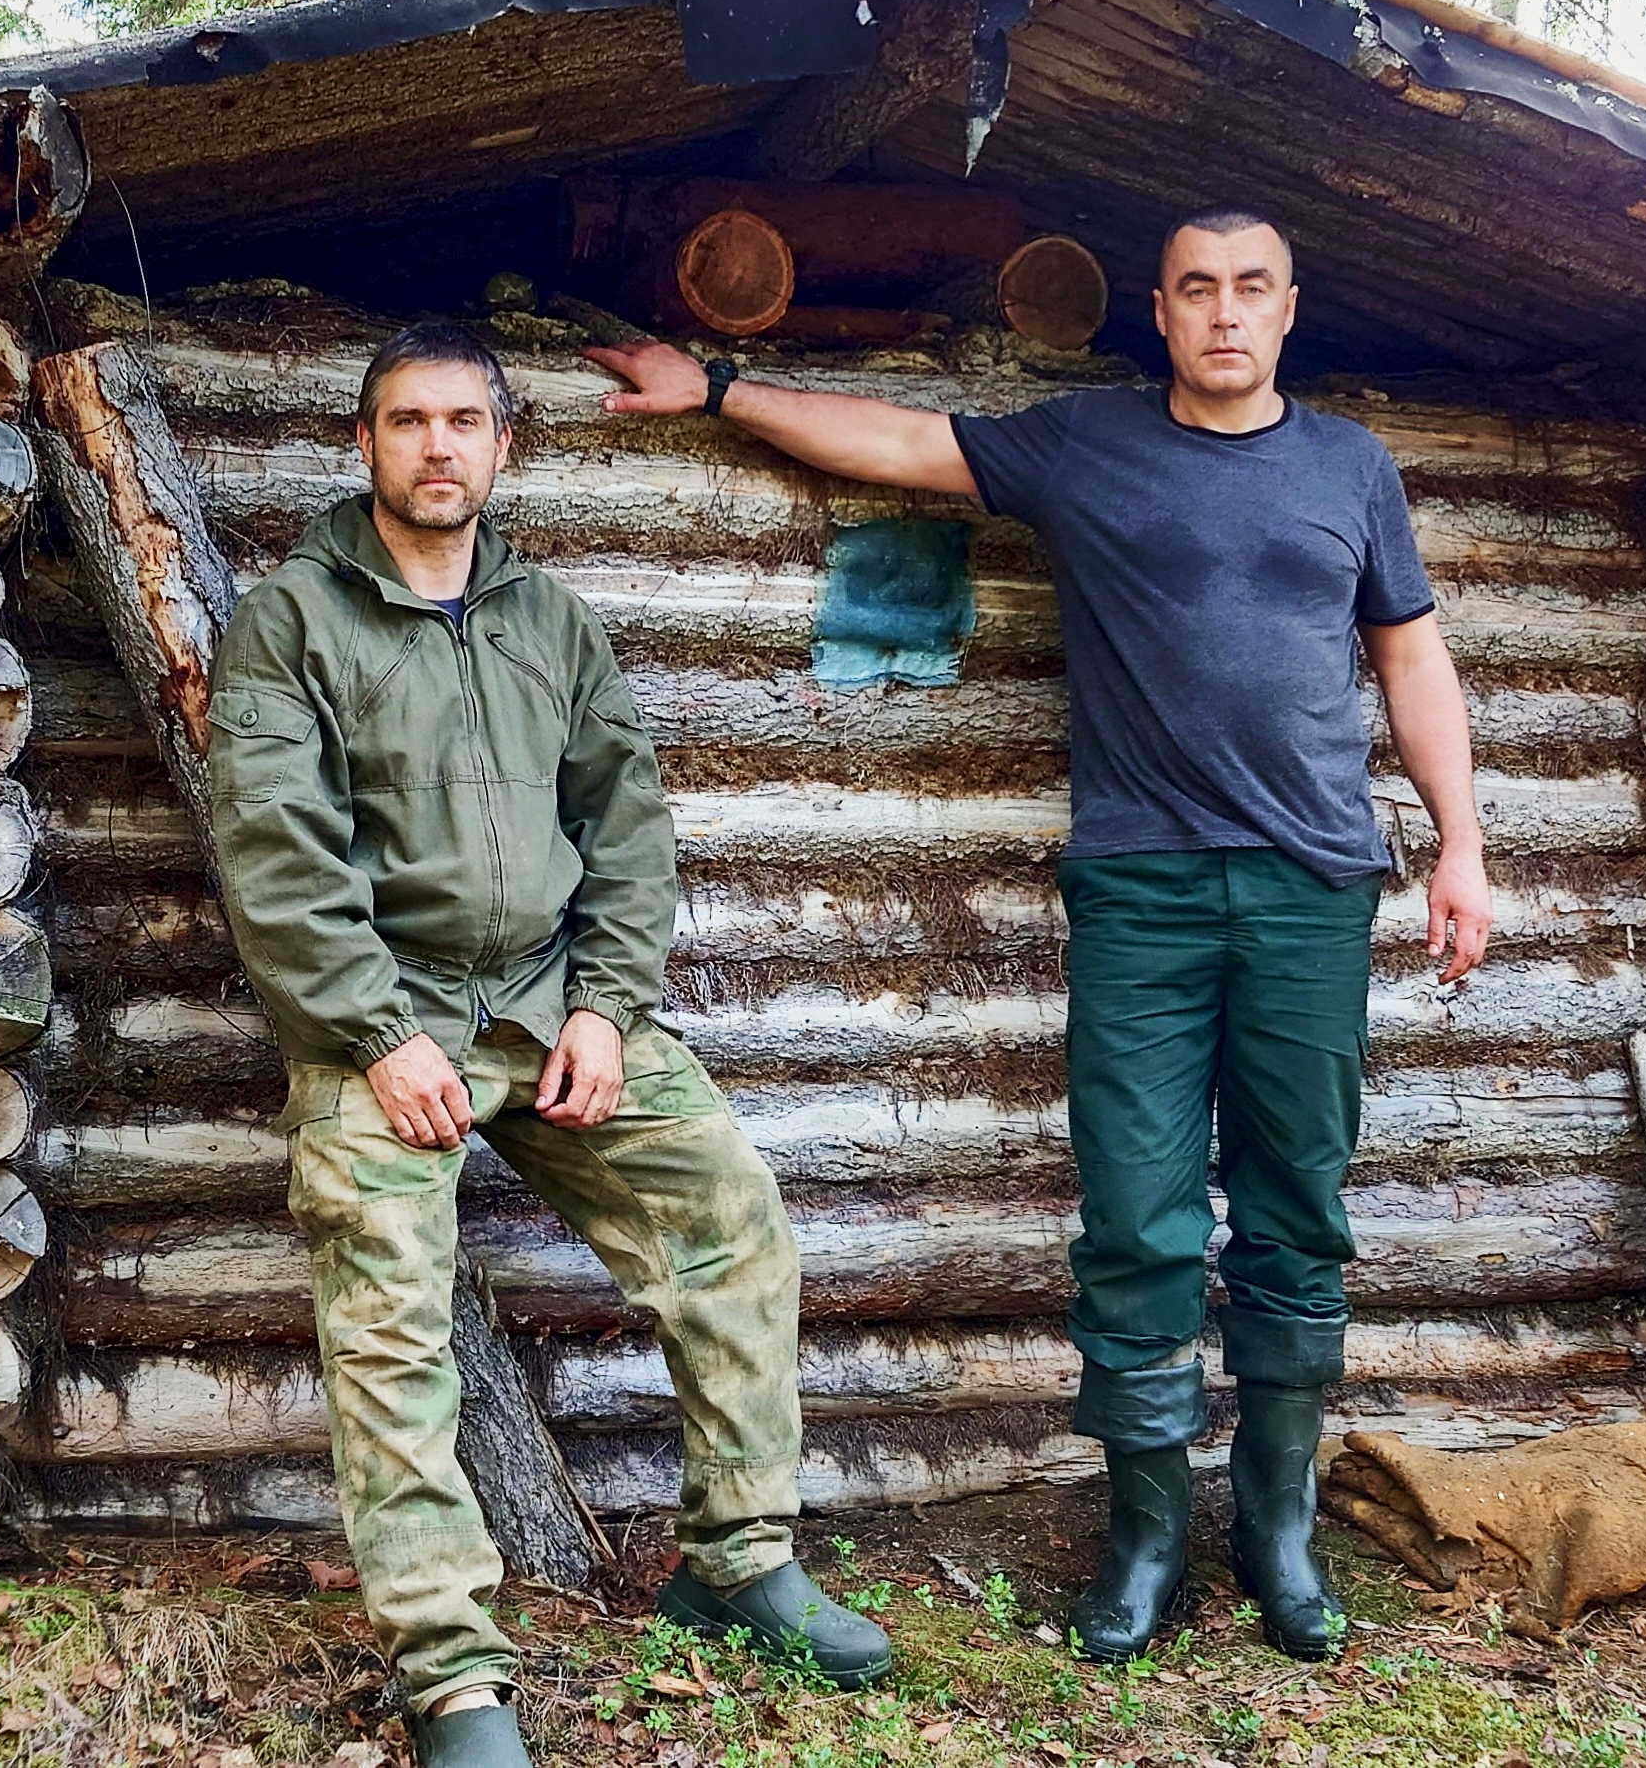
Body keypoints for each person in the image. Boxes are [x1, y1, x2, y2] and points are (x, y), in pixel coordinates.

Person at [587, 211, 1497, 1665]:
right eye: (1196, 286)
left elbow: (1410, 653)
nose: (1223, 312)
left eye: (1250, 287)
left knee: (1295, 1211)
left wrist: (1460, 840)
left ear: (1288, 308)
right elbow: (899, 442)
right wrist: (716, 386)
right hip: (1139, 894)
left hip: (1313, 890)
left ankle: (1275, 1531)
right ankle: (1144, 1535)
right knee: (1139, 1219)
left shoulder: (1351, 468)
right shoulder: (1089, 445)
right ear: (1159, 305)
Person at [213, 321, 892, 1768]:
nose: (437, 445)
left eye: (465, 420)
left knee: (730, 1216)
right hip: (382, 1024)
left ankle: (741, 1562)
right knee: (391, 1326)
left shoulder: (553, 621)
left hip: (548, 1003)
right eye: (408, 421)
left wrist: (606, 1004)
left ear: (504, 447)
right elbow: (275, 850)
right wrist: (377, 1032)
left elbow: (629, 829)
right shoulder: (294, 617)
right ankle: (456, 1680)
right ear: (365, 444)